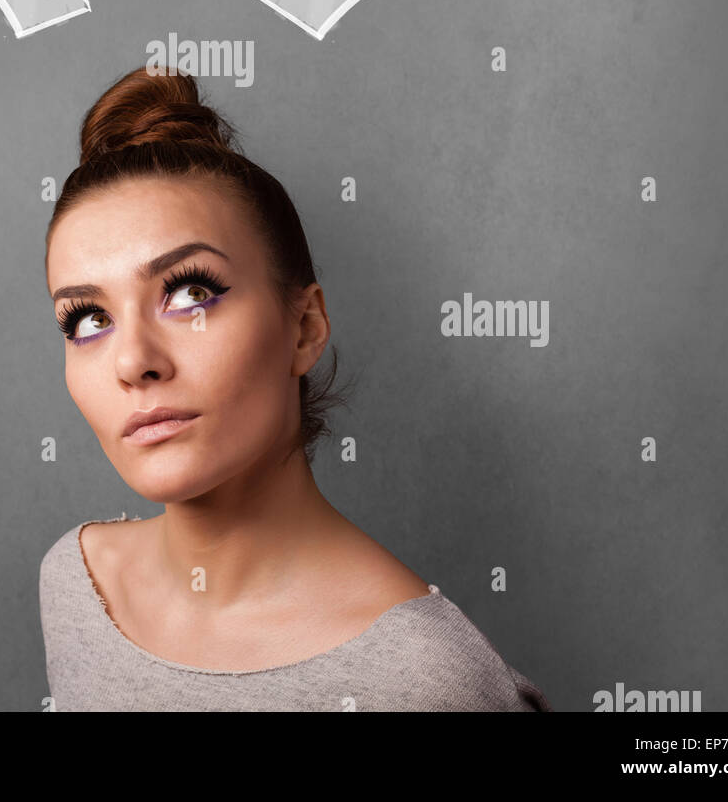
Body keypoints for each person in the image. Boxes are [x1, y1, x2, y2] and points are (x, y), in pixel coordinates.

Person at [39, 65, 552, 711]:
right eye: (88, 319)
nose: (133, 360)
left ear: (304, 326)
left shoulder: (423, 680)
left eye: (190, 292)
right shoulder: (75, 582)